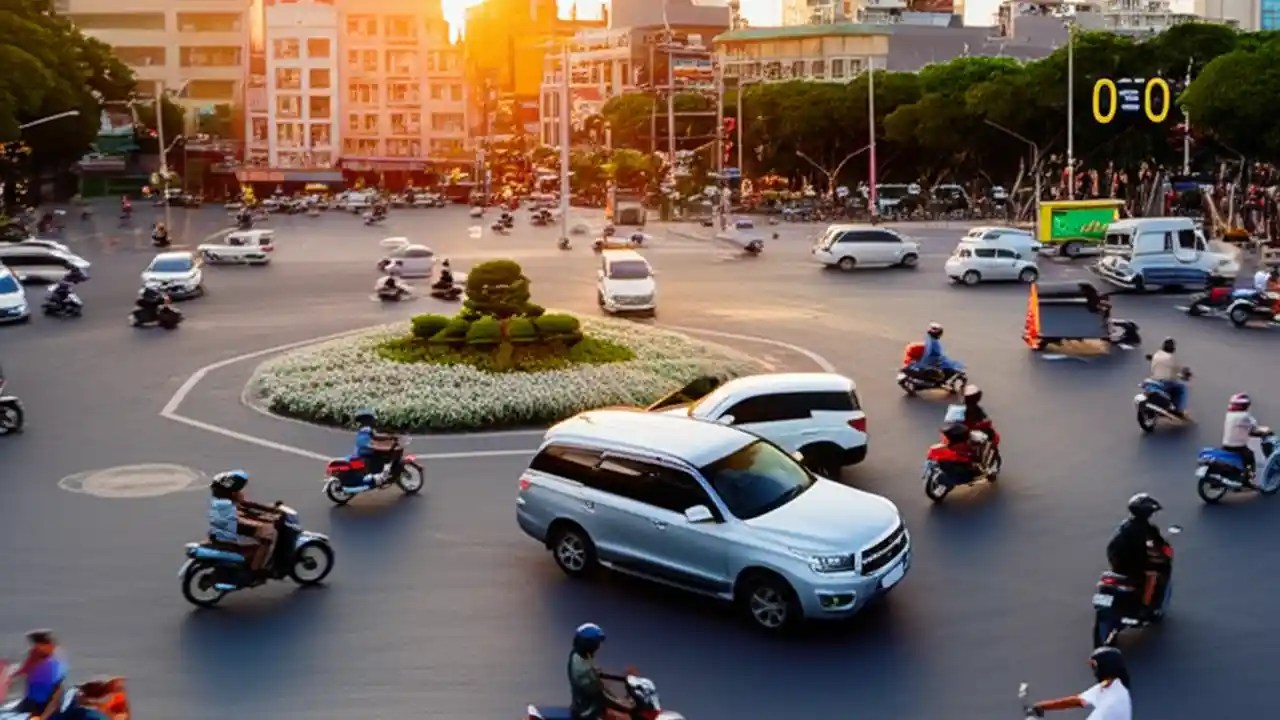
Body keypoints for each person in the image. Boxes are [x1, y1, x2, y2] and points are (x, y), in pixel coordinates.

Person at [1105, 493, 1167, 618]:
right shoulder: (1147, 528)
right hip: (1132, 563)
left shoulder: (1124, 524)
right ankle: (1145, 606)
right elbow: (1159, 544)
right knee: (1152, 576)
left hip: (1115, 560)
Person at [1029, 646, 1131, 720]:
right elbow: (1078, 700)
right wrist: (1043, 706)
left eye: (1095, 667)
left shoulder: (1112, 704)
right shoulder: (1111, 686)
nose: (1094, 671)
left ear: (1105, 667)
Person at [208, 470, 276, 574]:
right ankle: (256, 570)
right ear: (232, 493)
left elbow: (249, 505)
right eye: (239, 490)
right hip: (231, 537)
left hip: (219, 533)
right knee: (267, 537)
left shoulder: (221, 502)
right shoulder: (228, 507)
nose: (242, 492)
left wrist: (271, 509)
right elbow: (242, 522)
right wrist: (263, 522)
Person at [567, 623, 632, 720]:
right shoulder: (583, 671)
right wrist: (625, 707)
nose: (599, 646)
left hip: (586, 707)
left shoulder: (578, 655)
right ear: (590, 644)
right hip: (588, 715)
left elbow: (597, 683)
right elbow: (601, 697)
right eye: (597, 643)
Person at [7, 630, 68, 719]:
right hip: (35, 695)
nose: (37, 647)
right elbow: (27, 667)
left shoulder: (54, 661)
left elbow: (56, 690)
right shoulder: (36, 652)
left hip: (45, 698)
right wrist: (12, 676)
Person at [1222, 392, 1266, 483]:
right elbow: (1254, 428)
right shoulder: (1244, 416)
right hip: (1238, 446)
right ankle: (1248, 479)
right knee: (1250, 458)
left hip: (1226, 444)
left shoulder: (1229, 414)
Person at [351, 410, 399, 485]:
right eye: (372, 419)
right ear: (367, 420)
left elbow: (375, 437)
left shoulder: (362, 429)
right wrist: (390, 437)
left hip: (359, 451)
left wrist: (387, 438)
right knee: (384, 455)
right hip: (365, 451)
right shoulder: (367, 428)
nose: (373, 420)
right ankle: (382, 475)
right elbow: (376, 437)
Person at [1146, 337, 1187, 415]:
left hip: (1153, 380)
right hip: (1165, 382)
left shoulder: (1156, 354)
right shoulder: (1171, 358)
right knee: (1181, 388)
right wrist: (1183, 375)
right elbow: (1177, 372)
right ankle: (1179, 410)